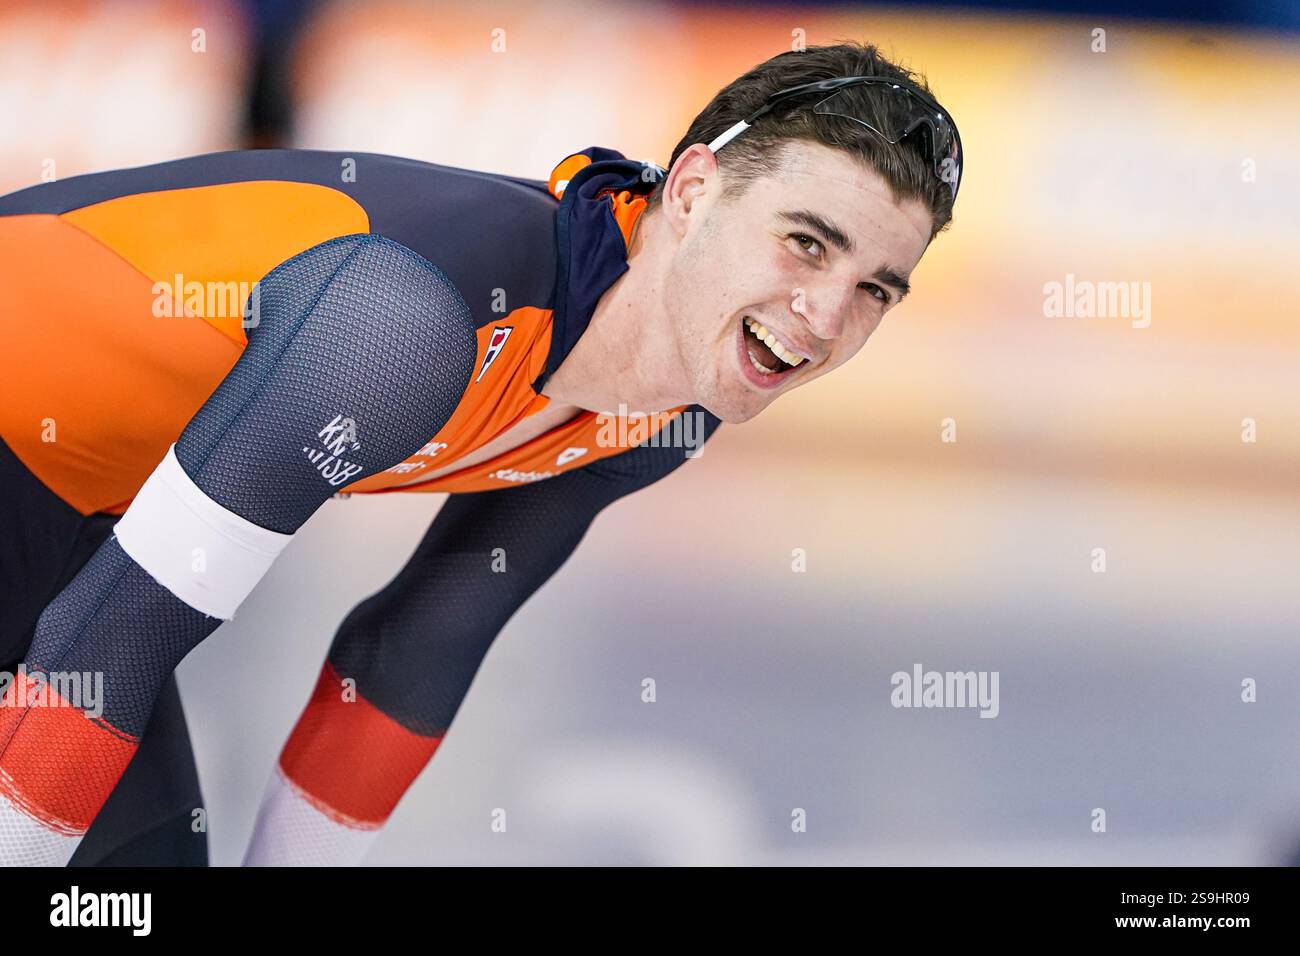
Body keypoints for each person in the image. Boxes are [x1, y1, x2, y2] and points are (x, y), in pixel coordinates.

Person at [0, 40, 961, 866]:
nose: (828, 317)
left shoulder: (664, 409)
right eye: (805, 243)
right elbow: (125, 628)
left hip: (61, 526)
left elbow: (410, 652)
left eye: (878, 289)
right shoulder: (406, 322)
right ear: (695, 190)